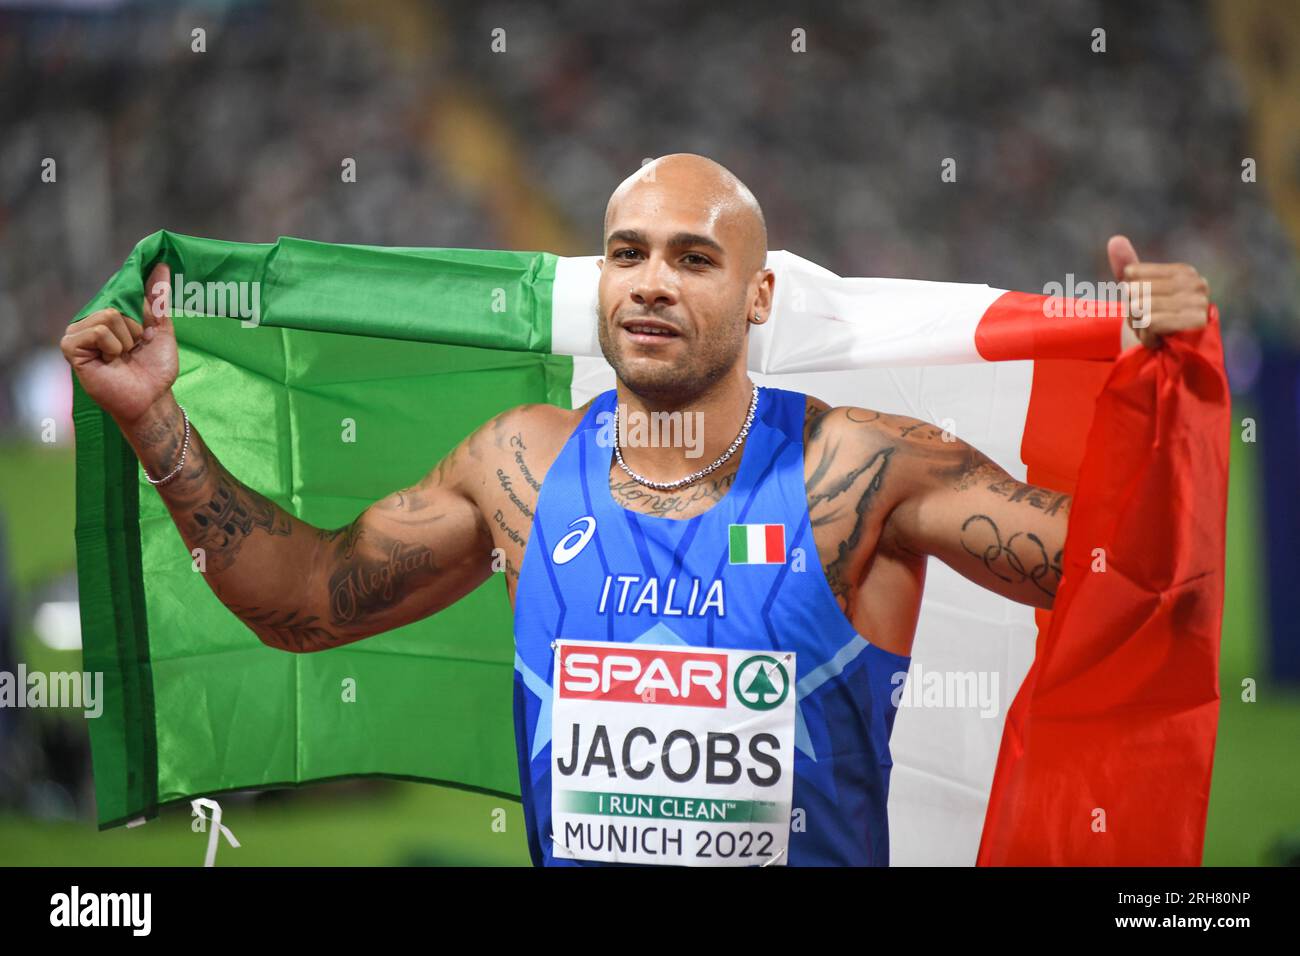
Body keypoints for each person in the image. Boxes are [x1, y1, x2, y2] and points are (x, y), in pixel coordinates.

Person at [60, 153, 1212, 866]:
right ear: (603, 283)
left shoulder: (858, 470)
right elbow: (305, 603)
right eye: (627, 253)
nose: (651, 279)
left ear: (758, 294)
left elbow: (1131, 589)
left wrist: (1170, 384)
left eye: (692, 257)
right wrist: (155, 422)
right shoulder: (517, 465)